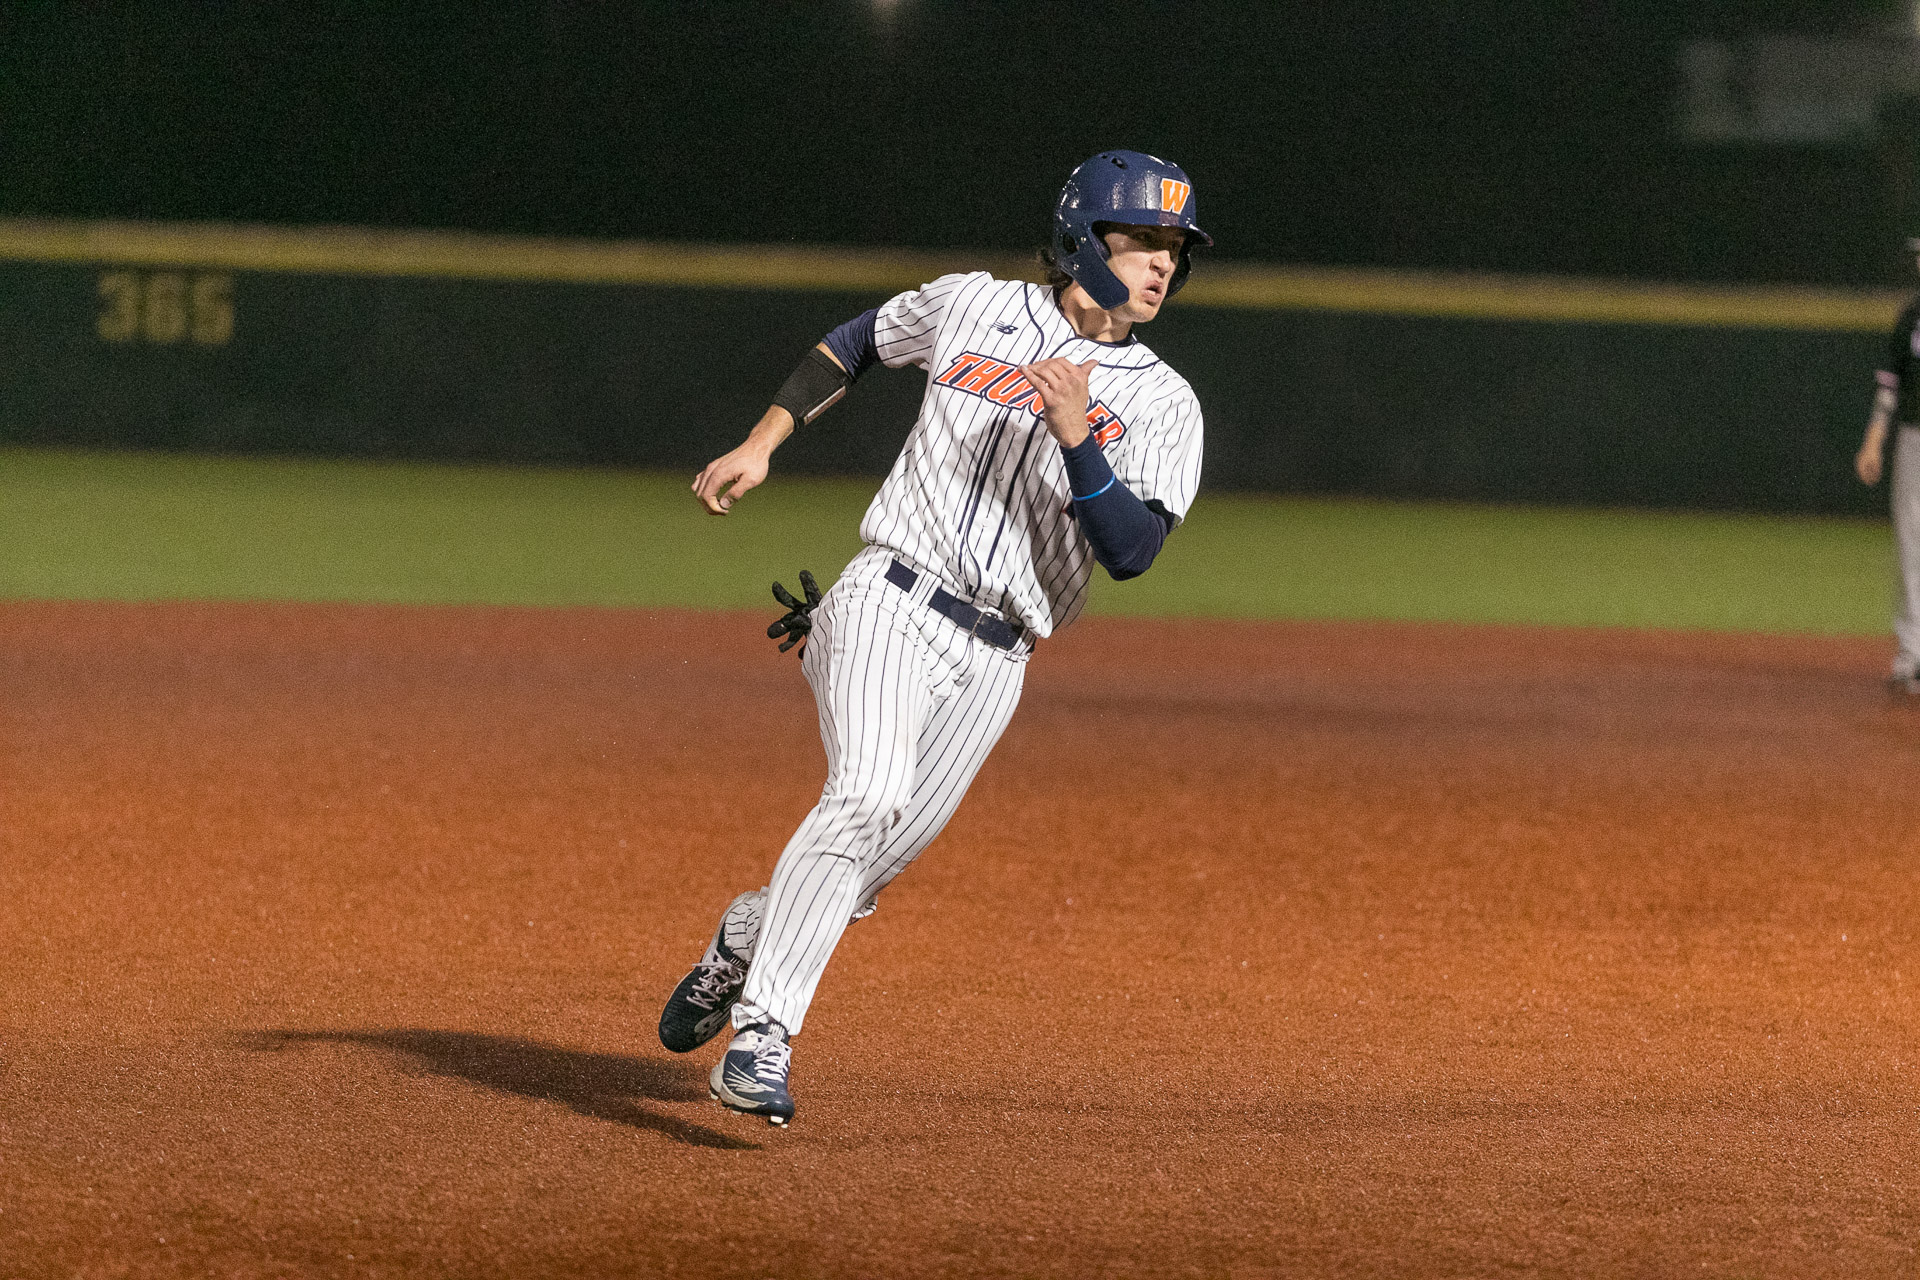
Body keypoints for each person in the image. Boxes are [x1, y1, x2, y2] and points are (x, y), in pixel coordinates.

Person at [658, 151, 1211, 1126]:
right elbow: (857, 340)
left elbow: (1130, 551)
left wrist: (1082, 437)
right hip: (886, 598)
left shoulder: (1167, 404)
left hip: (999, 657)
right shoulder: (973, 304)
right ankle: (761, 1039)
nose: (1165, 264)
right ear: (1086, 238)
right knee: (865, 793)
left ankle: (745, 933)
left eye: (1176, 249)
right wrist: (762, 441)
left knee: (870, 863)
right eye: (1146, 241)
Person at [1855, 235, 1920, 695]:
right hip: (1915, 438)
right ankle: (1913, 651)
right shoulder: (1910, 317)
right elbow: (1889, 384)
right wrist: (1874, 441)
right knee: (1911, 542)